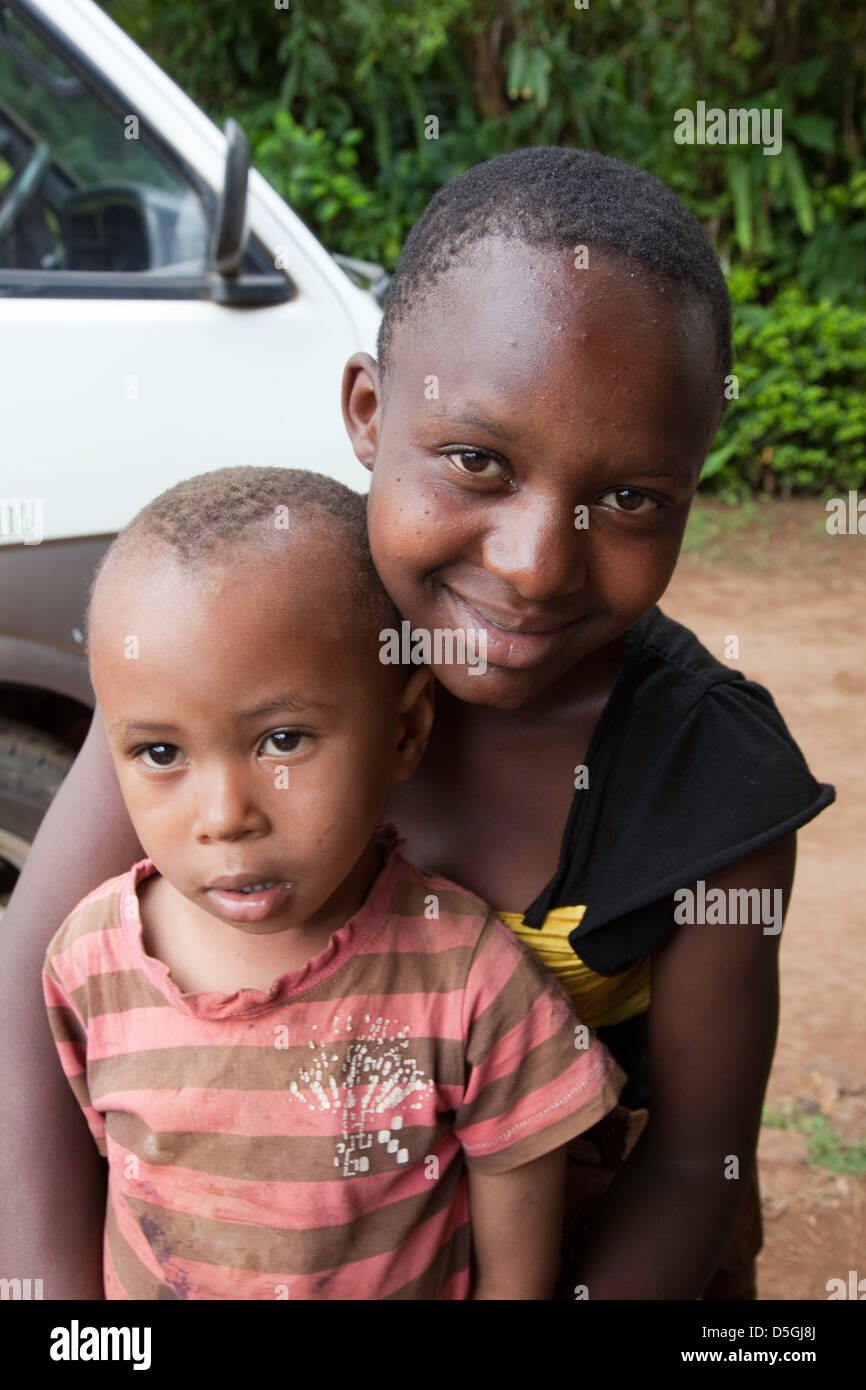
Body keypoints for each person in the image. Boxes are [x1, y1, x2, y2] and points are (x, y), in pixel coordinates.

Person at [0, 147, 834, 1301]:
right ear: (367, 411)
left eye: (629, 498)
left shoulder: (709, 785)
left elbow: (695, 1161)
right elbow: (25, 986)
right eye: (476, 461)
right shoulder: (233, 635)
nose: (535, 564)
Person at [40, 466, 624, 1301]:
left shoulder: (468, 981)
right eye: (160, 753)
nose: (224, 816)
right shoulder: (89, 964)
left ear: (405, 731)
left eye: (282, 741)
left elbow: (519, 1275)